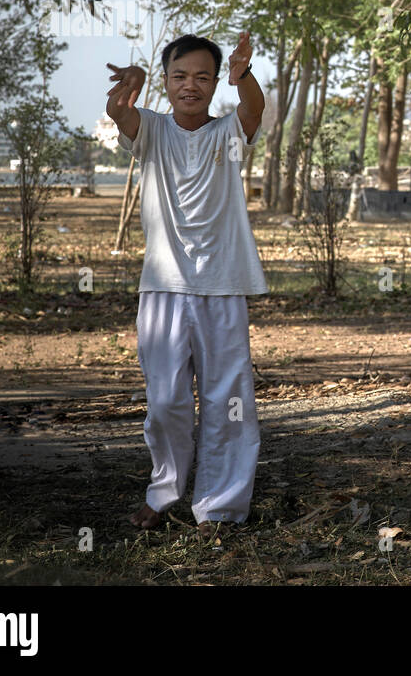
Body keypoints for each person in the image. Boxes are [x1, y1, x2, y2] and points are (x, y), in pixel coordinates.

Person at [106, 31, 269, 539]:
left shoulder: (228, 134)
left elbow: (253, 110)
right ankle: (163, 492)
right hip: (162, 289)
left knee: (228, 400)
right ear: (166, 82)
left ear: (216, 81)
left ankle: (219, 508)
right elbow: (120, 113)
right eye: (179, 76)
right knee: (166, 402)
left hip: (223, 287)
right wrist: (127, 87)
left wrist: (247, 79)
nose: (190, 85)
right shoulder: (151, 129)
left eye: (202, 76)